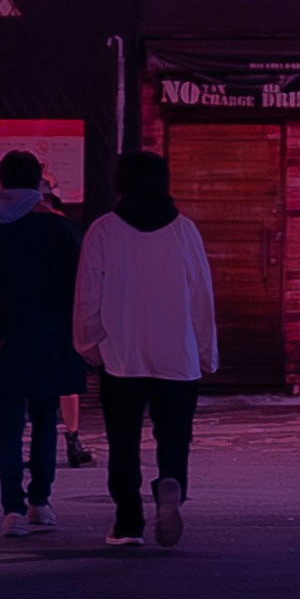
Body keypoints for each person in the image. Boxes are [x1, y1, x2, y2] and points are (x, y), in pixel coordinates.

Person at [74, 147, 217, 549]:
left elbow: (88, 294)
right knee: (175, 436)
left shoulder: (104, 230)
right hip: (177, 353)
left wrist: (88, 342)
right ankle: (171, 482)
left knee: (123, 441)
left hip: (122, 354)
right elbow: (201, 295)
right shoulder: (184, 230)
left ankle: (128, 522)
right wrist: (204, 351)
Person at [0, 148, 84, 534]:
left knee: (8, 425)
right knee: (45, 419)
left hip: (0, 338)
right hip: (48, 335)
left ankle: (12, 508)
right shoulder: (58, 228)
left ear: (0, 180)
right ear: (38, 182)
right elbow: (75, 288)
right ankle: (40, 502)